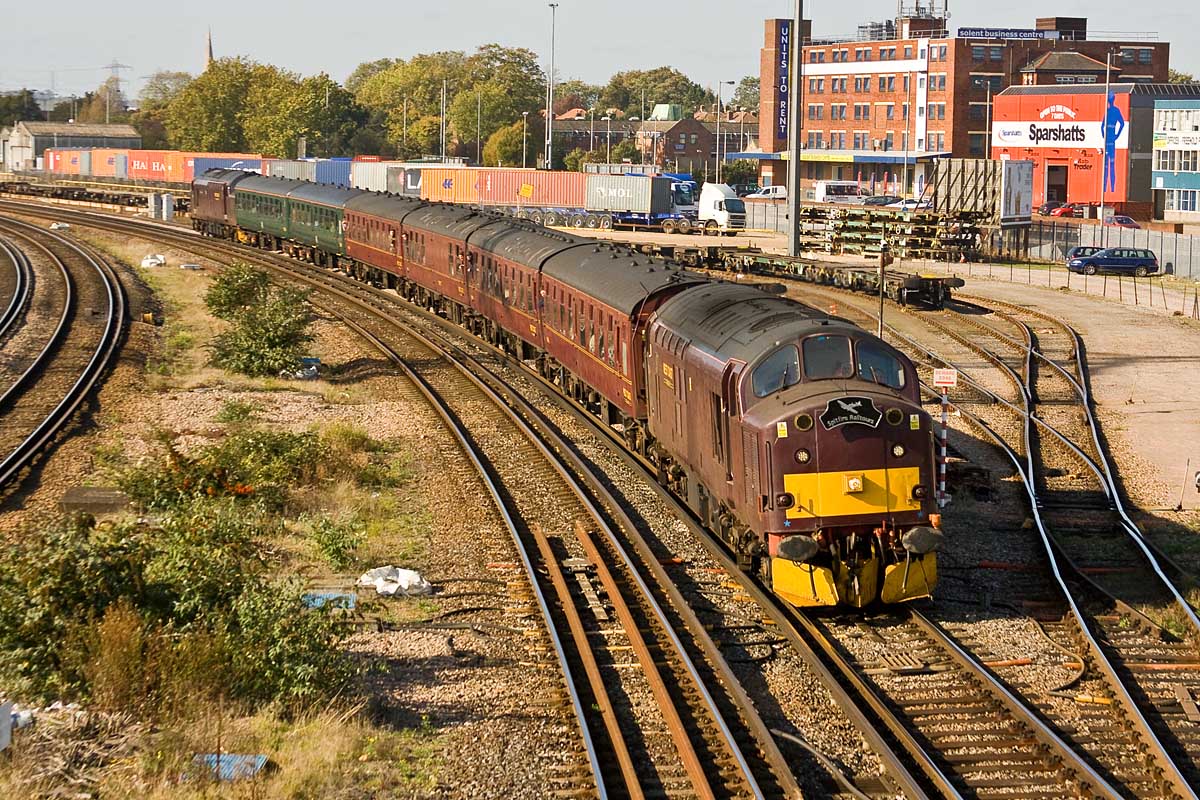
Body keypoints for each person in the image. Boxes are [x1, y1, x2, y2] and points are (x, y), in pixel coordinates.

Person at [1103, 91, 1125, 195]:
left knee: (1109, 165)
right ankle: (1109, 189)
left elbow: (1102, 127)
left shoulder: (1112, 111)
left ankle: (1110, 189)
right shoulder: (1111, 111)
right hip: (1110, 139)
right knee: (1109, 165)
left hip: (1110, 140)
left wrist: (1115, 135)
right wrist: (1116, 135)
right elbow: (1122, 124)